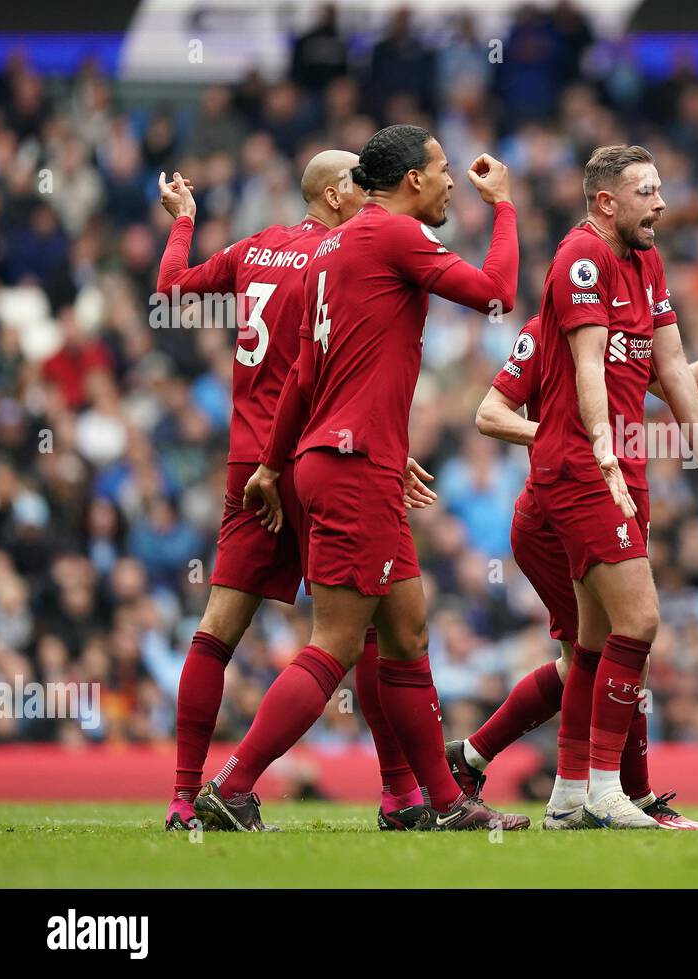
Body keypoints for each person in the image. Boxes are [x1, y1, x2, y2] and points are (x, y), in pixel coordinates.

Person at [194, 124, 526, 832]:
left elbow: (302, 377)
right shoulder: (392, 235)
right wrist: (504, 206)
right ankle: (234, 784)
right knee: (337, 643)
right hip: (353, 465)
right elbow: (497, 290)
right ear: (412, 179)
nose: (449, 183)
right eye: (442, 171)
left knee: (406, 634)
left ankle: (442, 803)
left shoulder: (332, 250)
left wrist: (272, 464)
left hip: (337, 458)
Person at [153, 150, 405, 830]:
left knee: (216, 633)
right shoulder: (348, 257)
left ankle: (182, 798)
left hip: (247, 466)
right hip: (319, 458)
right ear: (330, 194)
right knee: (371, 630)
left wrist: (185, 220)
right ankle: (397, 793)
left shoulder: (254, 248)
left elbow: (171, 285)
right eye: (360, 181)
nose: (373, 191)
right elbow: (340, 364)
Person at [455, 294, 698, 829]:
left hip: (604, 503)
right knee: (615, 646)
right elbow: (489, 413)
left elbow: (674, 385)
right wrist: (564, 439)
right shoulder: (552, 328)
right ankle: (617, 794)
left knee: (596, 654)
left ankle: (485, 764)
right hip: (554, 514)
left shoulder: (622, 326)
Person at [527, 144, 698, 829]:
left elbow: (674, 367)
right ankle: (605, 787)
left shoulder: (645, 260)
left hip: (628, 462)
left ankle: (568, 792)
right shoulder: (581, 259)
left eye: (660, 189)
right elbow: (589, 364)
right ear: (605, 202)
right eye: (647, 192)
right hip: (587, 464)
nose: (660, 203)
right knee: (641, 620)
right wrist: (602, 450)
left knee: (593, 638)